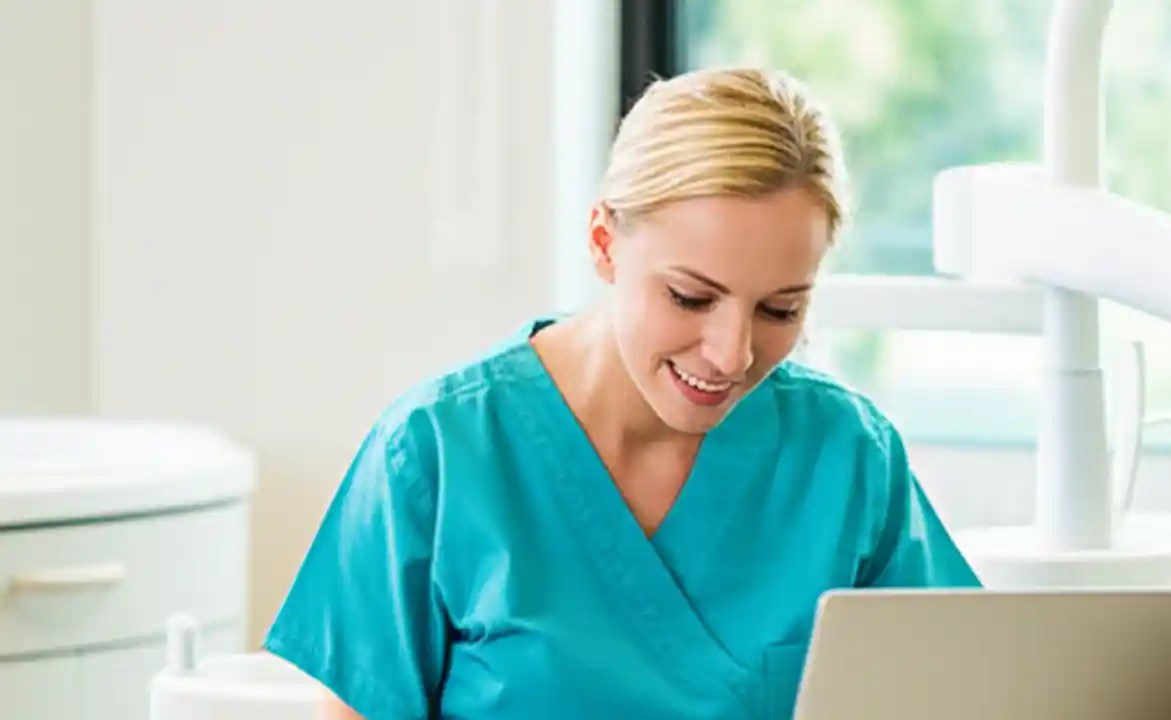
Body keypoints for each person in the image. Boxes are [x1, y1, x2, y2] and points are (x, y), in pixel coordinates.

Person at [264, 66, 981, 720]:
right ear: (604, 243)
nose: (732, 354)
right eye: (691, 297)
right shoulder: (435, 457)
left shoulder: (846, 457)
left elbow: (964, 689)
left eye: (780, 310)